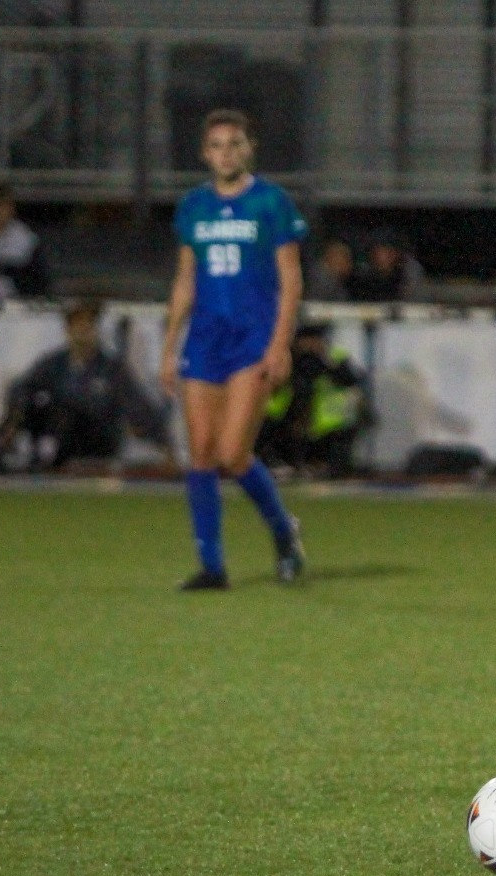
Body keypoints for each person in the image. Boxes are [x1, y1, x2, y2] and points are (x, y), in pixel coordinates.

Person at [159, 108, 308, 591]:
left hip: (252, 338)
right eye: (217, 145)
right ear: (205, 154)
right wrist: (169, 346)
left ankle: (283, 531)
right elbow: (186, 280)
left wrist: (280, 344)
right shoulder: (194, 206)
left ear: (249, 148)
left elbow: (290, 280)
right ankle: (212, 566)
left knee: (232, 452)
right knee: (201, 453)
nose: (226, 153)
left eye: (235, 144)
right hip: (205, 339)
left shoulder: (270, 201)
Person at [0, 299, 168, 472]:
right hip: (59, 441)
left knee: (69, 415)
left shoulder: (111, 369)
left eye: (88, 324)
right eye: (77, 324)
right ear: (68, 329)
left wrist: (162, 443)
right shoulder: (54, 364)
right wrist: (14, 420)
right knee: (40, 407)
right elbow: (22, 389)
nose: (82, 331)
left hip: (98, 443)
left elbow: (139, 407)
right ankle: (10, 456)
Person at [256, 322, 370, 478]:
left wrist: (325, 361)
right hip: (291, 420)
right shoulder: (290, 358)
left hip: (332, 425)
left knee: (335, 466)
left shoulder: (334, 356)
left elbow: (350, 379)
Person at [0, 183, 49, 304]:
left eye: (2, 206)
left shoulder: (26, 239)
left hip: (16, 304)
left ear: (12, 209)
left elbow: (38, 279)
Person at [345, 230, 425, 303]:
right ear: (372, 253)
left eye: (392, 250)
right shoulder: (360, 277)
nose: (389, 255)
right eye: (382, 250)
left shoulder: (407, 274)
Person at [306, 237, 355, 302]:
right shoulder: (316, 277)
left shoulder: (337, 280)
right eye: (345, 258)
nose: (349, 264)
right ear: (332, 256)